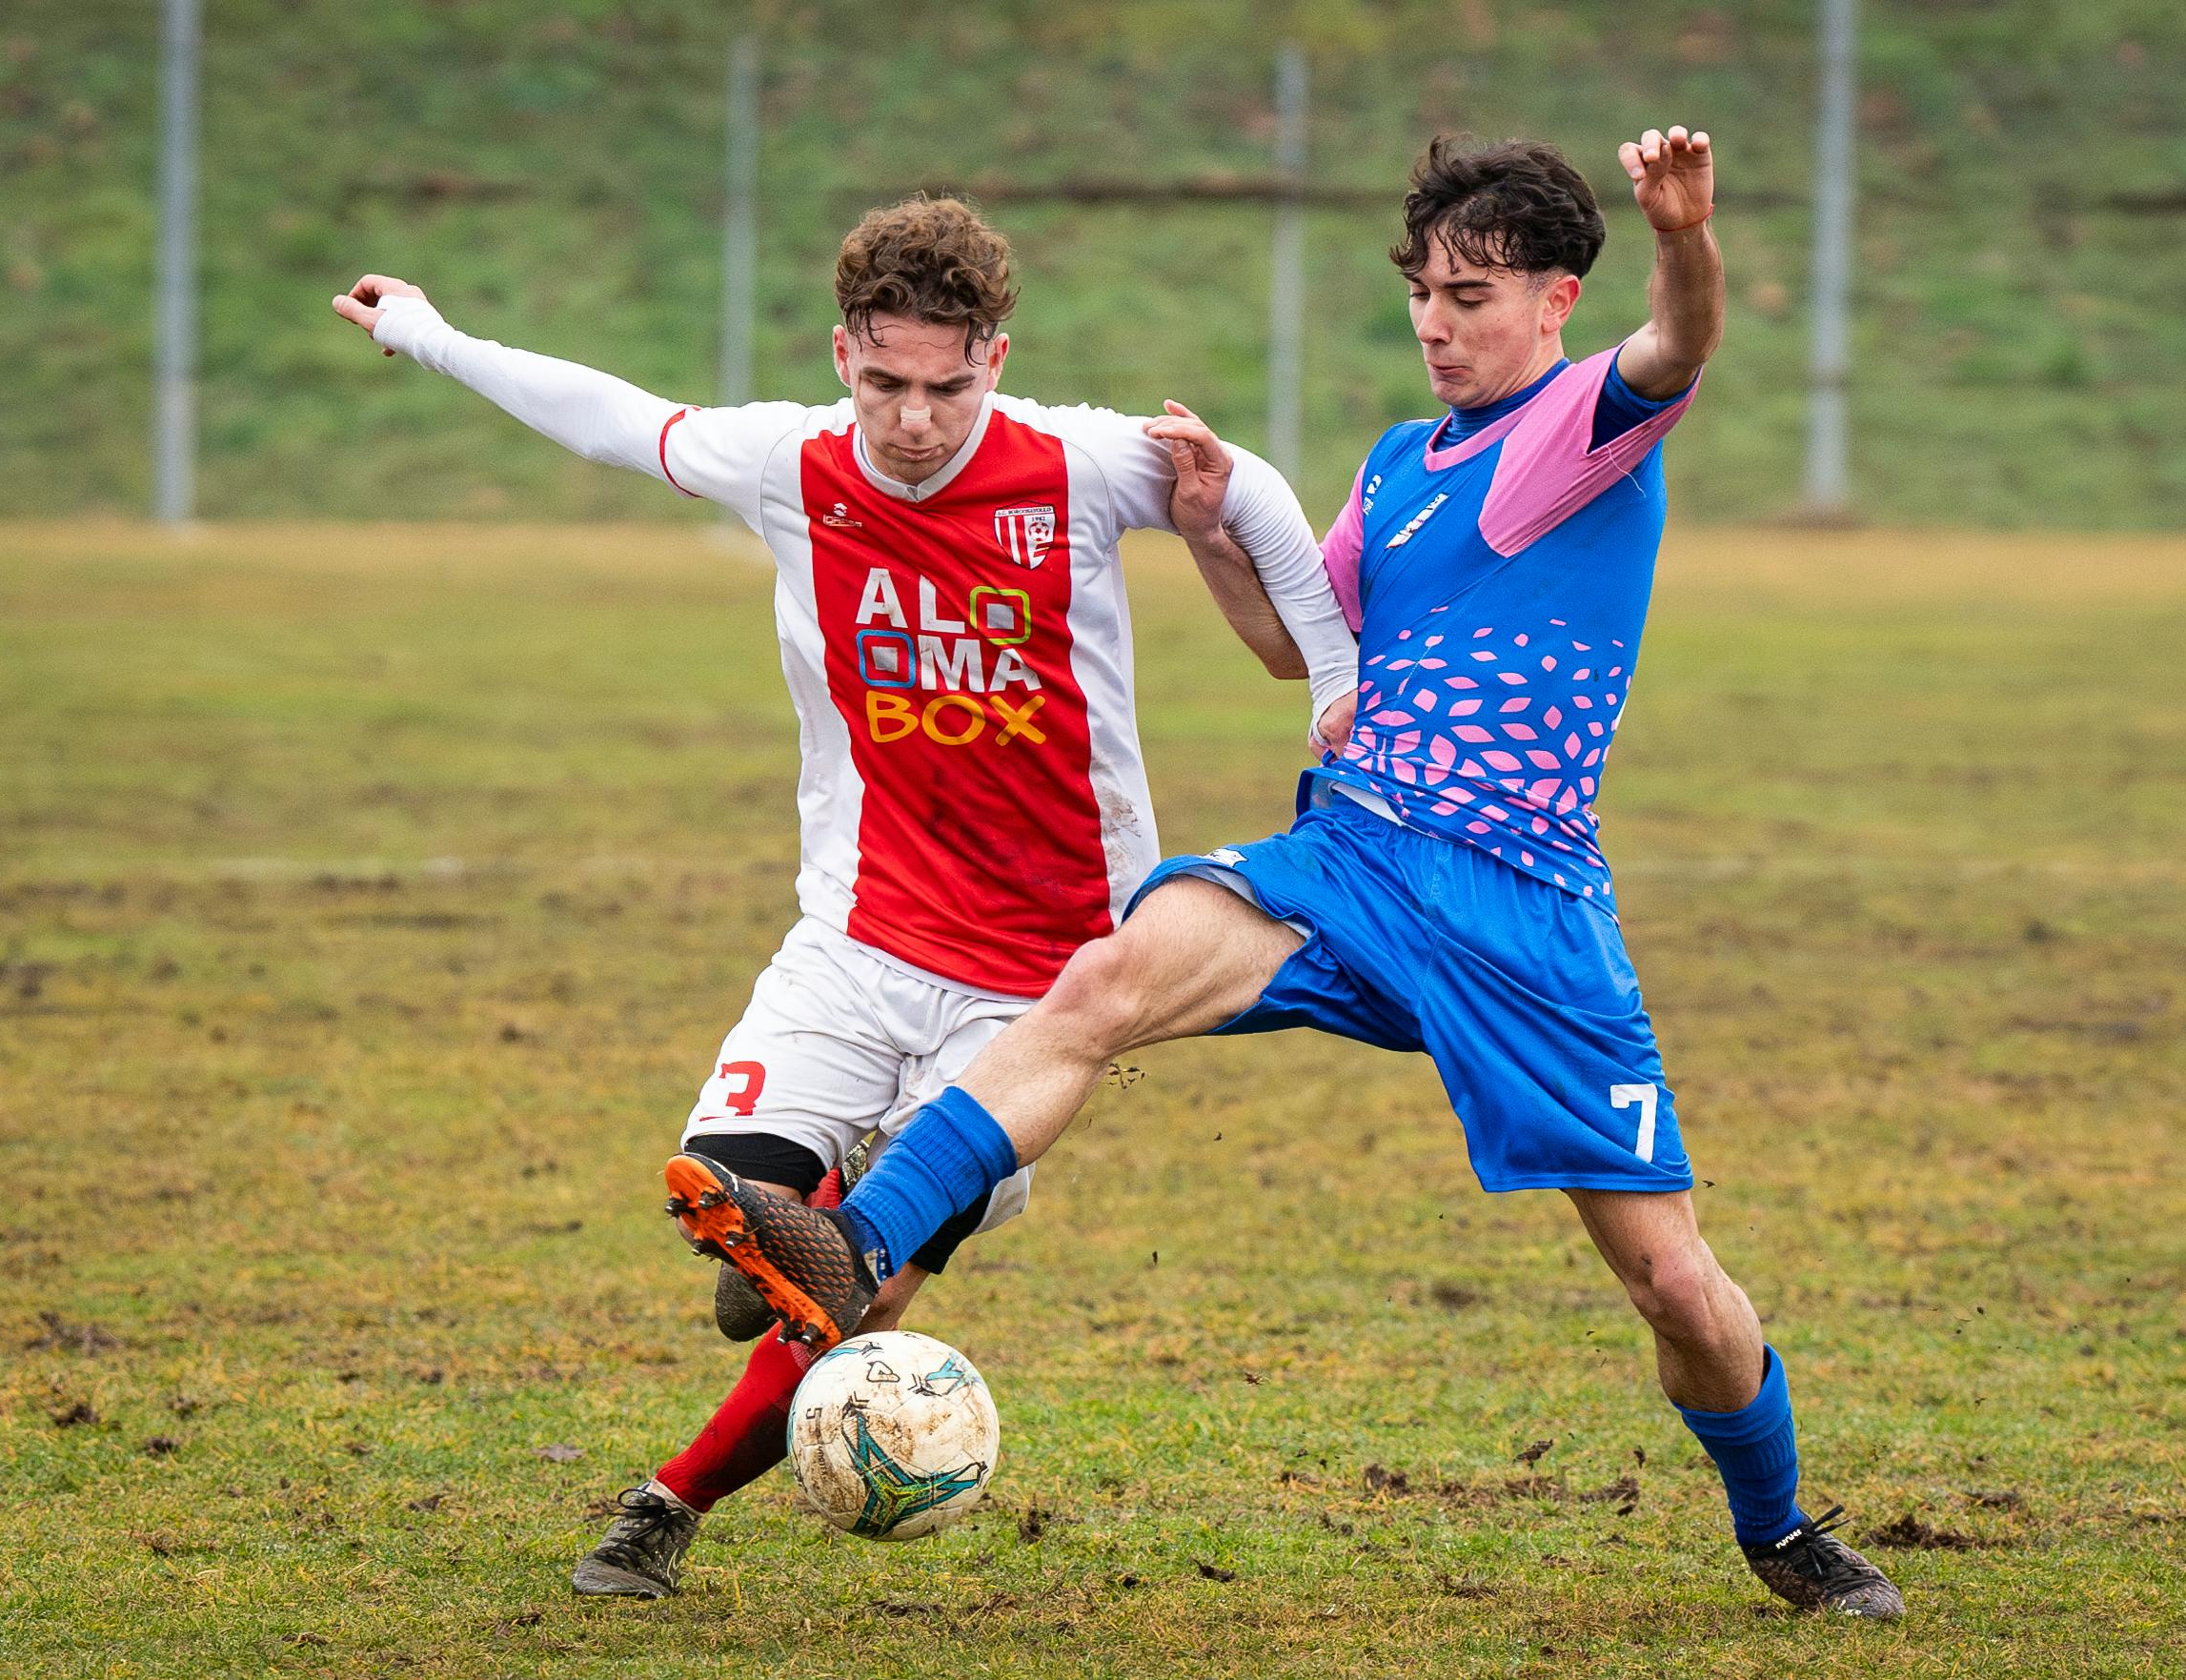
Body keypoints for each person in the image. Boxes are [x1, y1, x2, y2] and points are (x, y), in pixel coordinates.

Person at [672, 130, 1906, 1620]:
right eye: (1425, 296)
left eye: (1473, 296)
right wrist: (1206, 534)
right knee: (1101, 978)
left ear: (1559, 300)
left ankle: (1777, 1528)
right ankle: (852, 1247)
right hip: (1348, 858)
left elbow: (1681, 338)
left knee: (1669, 1281)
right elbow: (1293, 649)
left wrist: (1689, 233)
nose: (1440, 325)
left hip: (1521, 909)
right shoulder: (1397, 464)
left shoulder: (1591, 422)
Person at [332, 194, 1357, 1597]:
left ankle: (664, 1508)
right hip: (858, 935)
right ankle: (789, 1222)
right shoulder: (791, 461)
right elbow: (613, 417)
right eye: (883, 384)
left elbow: (1248, 491)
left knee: (868, 1277)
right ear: (841, 355)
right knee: (719, 1194)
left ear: (996, 359)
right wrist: (437, 338)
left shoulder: (1081, 461)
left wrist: (1338, 668)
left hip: (1045, 985)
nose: (915, 420)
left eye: (946, 387)